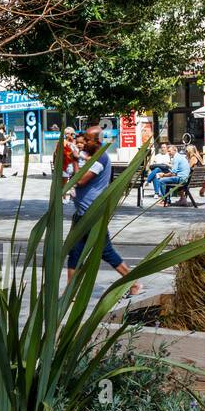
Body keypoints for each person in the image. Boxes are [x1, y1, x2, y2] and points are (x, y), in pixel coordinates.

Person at [66, 125, 142, 298]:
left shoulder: (100, 159)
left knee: (105, 251)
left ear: (97, 141)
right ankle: (70, 292)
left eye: (87, 139)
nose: (84, 142)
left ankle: (134, 283)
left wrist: (75, 161)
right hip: (82, 213)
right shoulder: (91, 157)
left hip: (92, 215)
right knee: (75, 251)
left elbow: (81, 180)